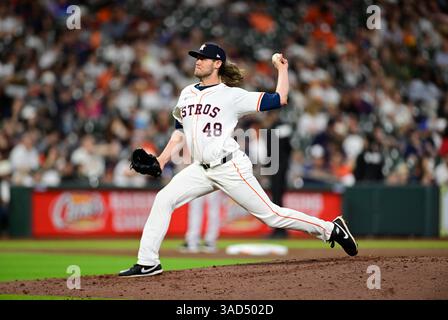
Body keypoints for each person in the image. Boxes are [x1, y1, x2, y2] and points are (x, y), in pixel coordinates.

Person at [119, 43, 358, 277]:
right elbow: (179, 131)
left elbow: (280, 98)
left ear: (217, 63)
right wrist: (160, 160)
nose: (197, 60)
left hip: (229, 166)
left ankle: (330, 228)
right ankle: (148, 262)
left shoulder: (232, 95)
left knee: (272, 215)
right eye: (196, 57)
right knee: (163, 199)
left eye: (203, 57)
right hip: (200, 170)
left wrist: (282, 69)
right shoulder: (186, 93)